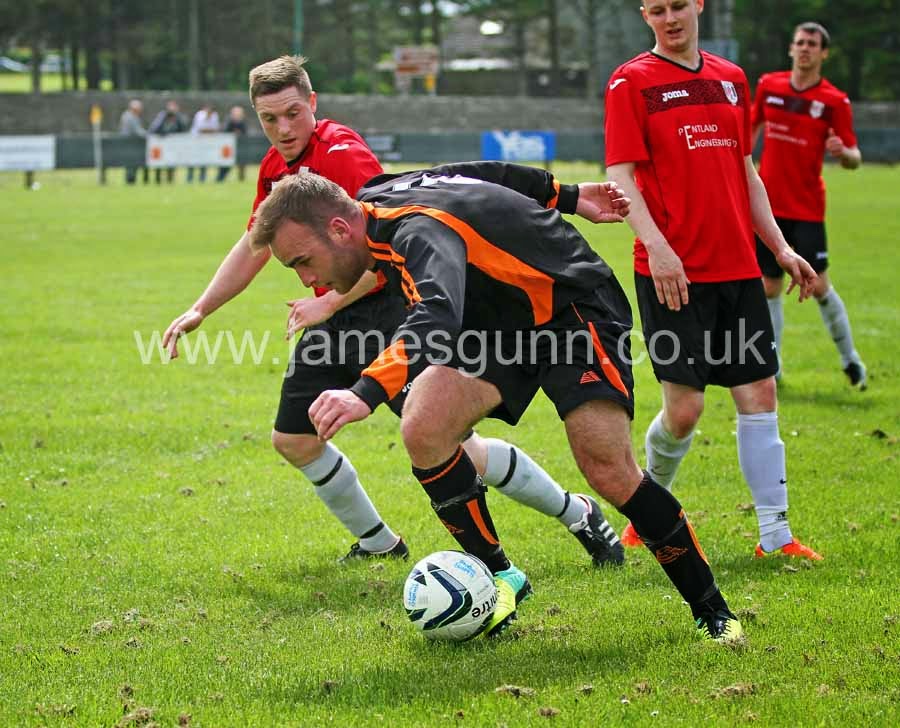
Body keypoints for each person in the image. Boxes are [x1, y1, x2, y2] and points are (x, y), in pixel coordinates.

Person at [162, 55, 625, 570]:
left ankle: (577, 513)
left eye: (292, 113)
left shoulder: (343, 154)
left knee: (447, 442)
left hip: (390, 311)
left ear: (312, 104)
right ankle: (379, 542)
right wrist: (202, 308)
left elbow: (386, 245)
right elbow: (255, 244)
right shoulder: (276, 168)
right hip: (334, 321)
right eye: (269, 119)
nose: (283, 128)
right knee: (294, 437)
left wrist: (328, 300)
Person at [248, 163, 744, 643]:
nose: (304, 279)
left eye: (302, 262)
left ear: (338, 229)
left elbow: (438, 313)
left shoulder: (416, 233)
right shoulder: (378, 194)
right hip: (497, 325)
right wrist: (567, 196)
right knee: (424, 427)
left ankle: (714, 613)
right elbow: (482, 173)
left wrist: (365, 391)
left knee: (609, 471)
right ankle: (501, 576)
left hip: (570, 309)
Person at [604, 0, 823, 561]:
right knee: (685, 412)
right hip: (673, 273)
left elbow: (745, 170)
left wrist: (779, 247)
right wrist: (658, 248)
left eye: (679, 5)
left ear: (698, 4)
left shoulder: (731, 79)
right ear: (644, 15)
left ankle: (776, 536)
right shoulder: (631, 82)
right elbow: (620, 175)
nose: (670, 18)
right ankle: (646, 508)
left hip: (739, 269)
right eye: (657, 10)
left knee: (759, 393)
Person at [751, 21, 866, 388]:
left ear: (823, 53)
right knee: (769, 287)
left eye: (812, 44)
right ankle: (775, 365)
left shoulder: (834, 100)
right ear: (791, 48)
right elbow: (748, 133)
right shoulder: (769, 86)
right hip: (767, 208)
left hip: (807, 210)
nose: (804, 48)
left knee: (817, 286)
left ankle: (851, 361)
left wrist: (843, 152)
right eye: (799, 42)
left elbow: (854, 156)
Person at [149, 100, 189, 184]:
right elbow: (154, 129)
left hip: (173, 145)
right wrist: (165, 117)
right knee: (158, 162)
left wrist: (177, 116)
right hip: (160, 144)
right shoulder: (162, 116)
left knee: (171, 163)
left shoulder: (179, 117)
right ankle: (158, 181)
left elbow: (183, 129)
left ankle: (170, 181)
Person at [187, 104, 220, 183]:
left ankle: (202, 179)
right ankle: (190, 179)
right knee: (192, 160)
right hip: (196, 141)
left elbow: (216, 129)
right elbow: (200, 129)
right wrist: (210, 130)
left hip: (206, 142)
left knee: (204, 159)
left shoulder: (215, 116)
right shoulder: (199, 115)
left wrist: (208, 131)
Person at [217, 106, 248, 183]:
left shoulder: (242, 123)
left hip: (240, 147)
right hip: (229, 148)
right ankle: (220, 179)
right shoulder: (229, 122)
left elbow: (244, 134)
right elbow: (225, 133)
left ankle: (241, 179)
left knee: (242, 165)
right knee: (225, 165)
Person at [118, 99, 147, 185]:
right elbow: (138, 131)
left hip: (129, 143)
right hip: (129, 144)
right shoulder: (130, 117)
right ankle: (130, 181)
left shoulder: (129, 116)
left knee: (131, 164)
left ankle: (130, 180)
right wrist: (148, 135)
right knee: (131, 164)